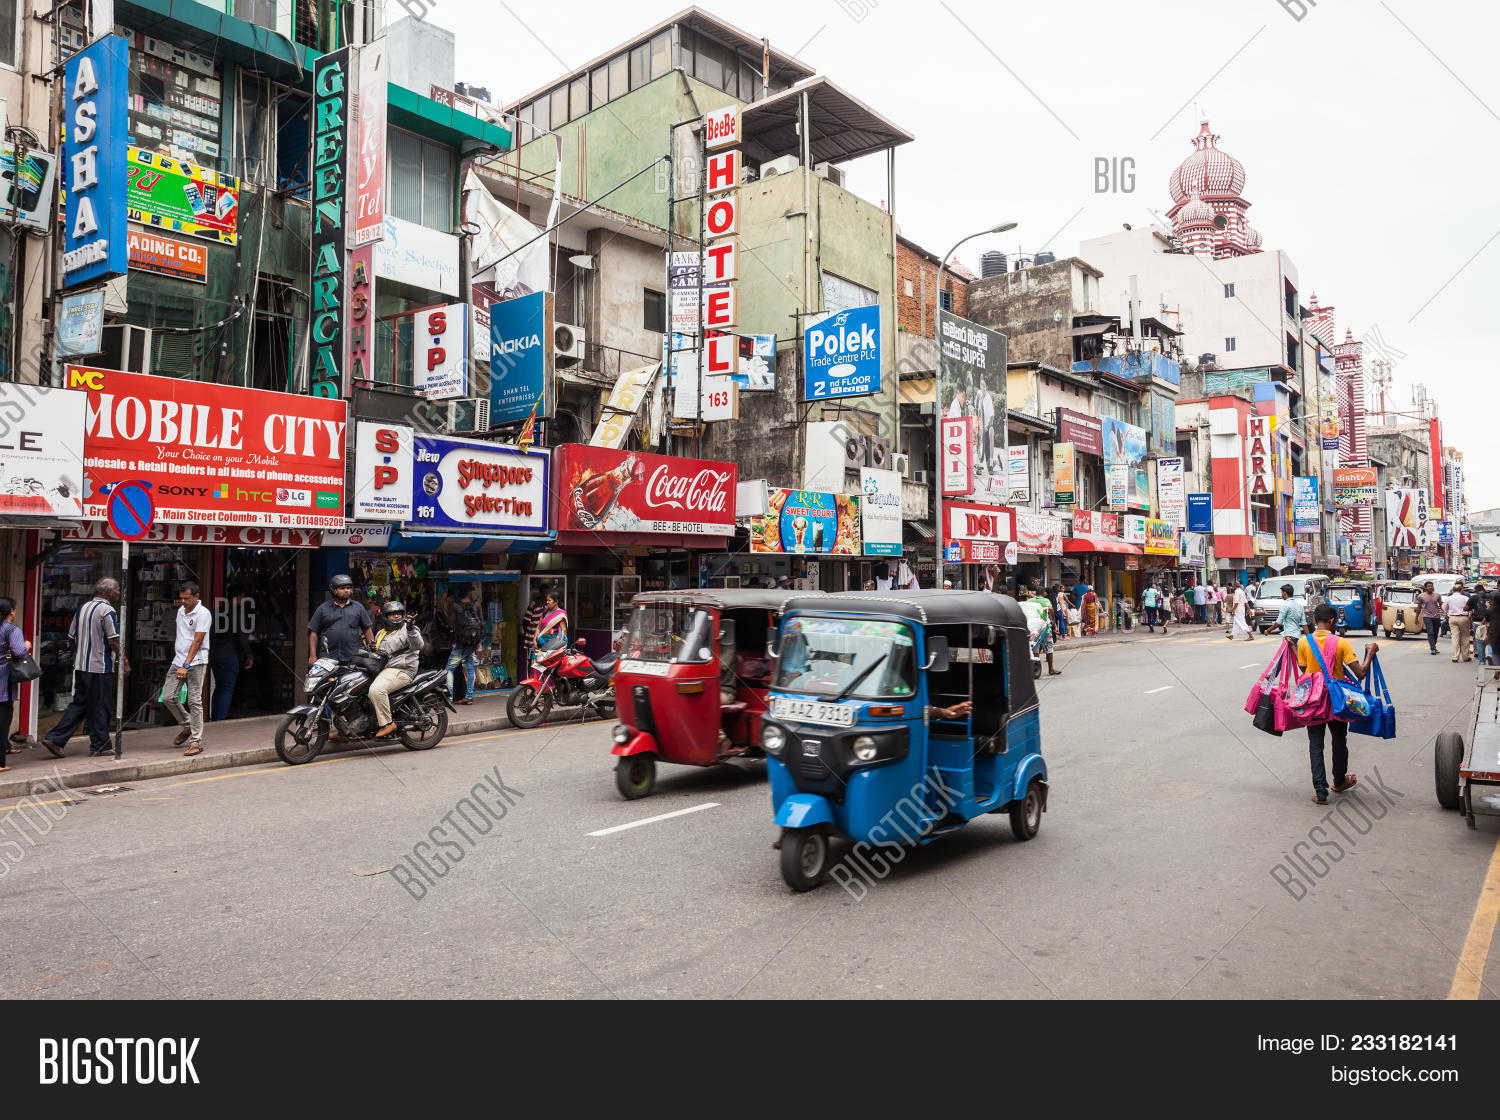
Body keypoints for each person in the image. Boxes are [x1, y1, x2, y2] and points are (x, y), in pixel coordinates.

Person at [1295, 605, 1378, 805]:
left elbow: (1304, 669)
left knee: (1315, 744)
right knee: (1339, 740)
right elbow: (1360, 673)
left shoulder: (1303, 642)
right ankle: (1339, 781)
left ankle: (1321, 791)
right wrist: (1371, 652)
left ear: (1315, 620)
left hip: (1313, 699)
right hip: (1337, 699)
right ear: (1332, 621)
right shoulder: (1341, 643)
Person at [45, 577, 125, 759]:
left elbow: (71, 637)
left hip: (81, 666)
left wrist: (79, 655)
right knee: (100, 705)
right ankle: (100, 745)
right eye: (117, 589)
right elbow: (113, 640)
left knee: (80, 703)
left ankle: (56, 739)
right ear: (108, 592)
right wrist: (124, 661)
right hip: (100, 667)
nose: (118, 593)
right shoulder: (108, 611)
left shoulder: (83, 607)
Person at [161, 581, 211, 756]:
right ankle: (187, 725)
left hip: (196, 662)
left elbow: (197, 641)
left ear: (196, 597)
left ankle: (196, 741)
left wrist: (186, 665)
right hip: (179, 660)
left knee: (194, 700)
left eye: (186, 598)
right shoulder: (181, 611)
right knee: (167, 696)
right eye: (181, 598)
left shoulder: (203, 614)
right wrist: (180, 662)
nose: (183, 602)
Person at [367, 601, 424, 739]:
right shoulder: (381, 633)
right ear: (385, 617)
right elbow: (379, 652)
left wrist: (410, 628)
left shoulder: (409, 629)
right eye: (392, 614)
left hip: (402, 670)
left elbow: (418, 645)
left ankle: (387, 724)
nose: (396, 616)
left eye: (398, 613)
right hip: (384, 670)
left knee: (376, 690)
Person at [307, 574, 374, 665]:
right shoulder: (323, 609)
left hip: (352, 659)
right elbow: (314, 632)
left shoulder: (358, 607)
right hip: (327, 659)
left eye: (348, 587)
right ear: (333, 589)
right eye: (342, 588)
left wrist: (373, 653)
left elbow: (367, 629)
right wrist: (312, 655)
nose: (346, 590)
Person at [210, 585, 253, 722]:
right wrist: (249, 654)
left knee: (219, 687)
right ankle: (220, 720)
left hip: (214, 654)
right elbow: (241, 636)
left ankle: (214, 717)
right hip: (229, 655)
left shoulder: (216, 612)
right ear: (240, 597)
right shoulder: (238, 613)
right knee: (227, 689)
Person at [0, 598, 31, 771]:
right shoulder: (11, 629)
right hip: (3, 679)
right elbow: (19, 651)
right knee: (3, 720)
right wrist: (26, 645)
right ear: (11, 611)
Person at [448, 587, 483, 705]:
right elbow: (482, 623)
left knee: (448, 669)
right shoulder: (477, 605)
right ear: (469, 592)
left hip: (460, 643)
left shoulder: (456, 606)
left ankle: (452, 696)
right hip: (472, 642)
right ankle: (468, 696)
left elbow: (451, 623)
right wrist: (478, 640)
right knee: (470, 668)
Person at [1022, 589, 1062, 676]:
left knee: (1035, 646)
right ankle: (1051, 669)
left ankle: (1034, 668)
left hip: (1033, 627)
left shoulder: (1029, 600)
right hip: (1043, 627)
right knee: (1049, 647)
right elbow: (1050, 609)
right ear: (1044, 593)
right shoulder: (1046, 600)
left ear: (1035, 593)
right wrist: (1053, 620)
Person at [1445, 580, 1473, 662]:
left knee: (1455, 637)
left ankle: (1455, 657)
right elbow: (1470, 609)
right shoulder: (1466, 598)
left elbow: (1444, 608)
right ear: (1461, 590)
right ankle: (1465, 656)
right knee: (1465, 637)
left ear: (1453, 591)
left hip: (1453, 618)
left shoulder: (1448, 598)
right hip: (1464, 618)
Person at [1415, 580, 1443, 656]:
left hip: (1436, 616)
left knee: (1436, 632)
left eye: (1431, 586)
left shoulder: (1437, 595)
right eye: (1428, 586)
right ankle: (1433, 648)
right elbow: (1418, 607)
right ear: (1425, 588)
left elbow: (1441, 605)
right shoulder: (1421, 596)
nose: (1430, 587)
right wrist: (1416, 618)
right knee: (1430, 632)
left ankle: (1434, 646)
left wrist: (1444, 612)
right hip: (1427, 616)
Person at [1467, 581, 1491, 666]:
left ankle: (1482, 661)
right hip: (1491, 622)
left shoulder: (1473, 597)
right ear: (1484, 589)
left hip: (1477, 622)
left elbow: (1466, 608)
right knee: (1491, 639)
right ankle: (1491, 655)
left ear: (1476, 590)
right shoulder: (1491, 596)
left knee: (1479, 641)